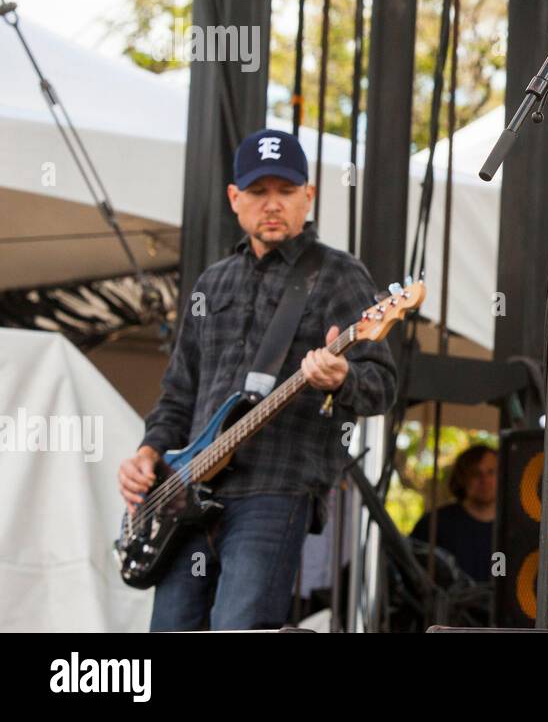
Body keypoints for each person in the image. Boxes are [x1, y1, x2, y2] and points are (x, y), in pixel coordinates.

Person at [117, 129, 397, 631]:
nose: (273, 204)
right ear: (234, 199)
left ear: (308, 197)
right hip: (184, 496)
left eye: (286, 192)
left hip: (275, 489)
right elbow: (179, 393)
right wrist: (148, 453)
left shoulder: (338, 274)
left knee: (240, 628)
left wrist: (340, 377)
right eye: (258, 192)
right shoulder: (213, 281)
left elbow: (382, 384)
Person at [410, 445, 498, 583]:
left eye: (491, 472)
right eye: (476, 473)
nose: (484, 480)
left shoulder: (512, 530)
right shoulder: (434, 524)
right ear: (462, 479)